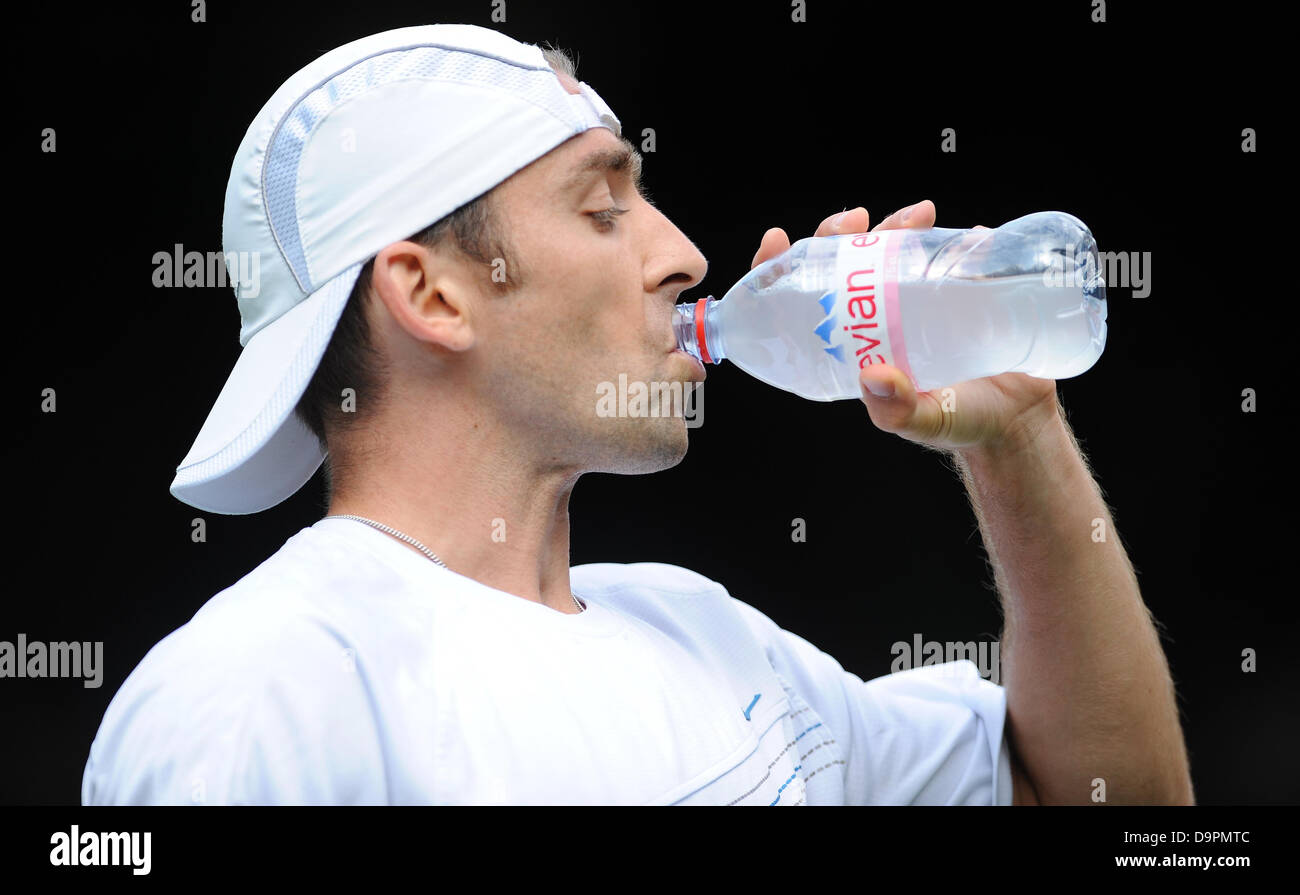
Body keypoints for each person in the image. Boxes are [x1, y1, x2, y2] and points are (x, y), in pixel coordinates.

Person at [81, 24, 1193, 805]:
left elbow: (1101, 796)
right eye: (605, 208)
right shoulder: (261, 697)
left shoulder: (701, 631)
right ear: (430, 294)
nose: (684, 255)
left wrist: (1016, 435)